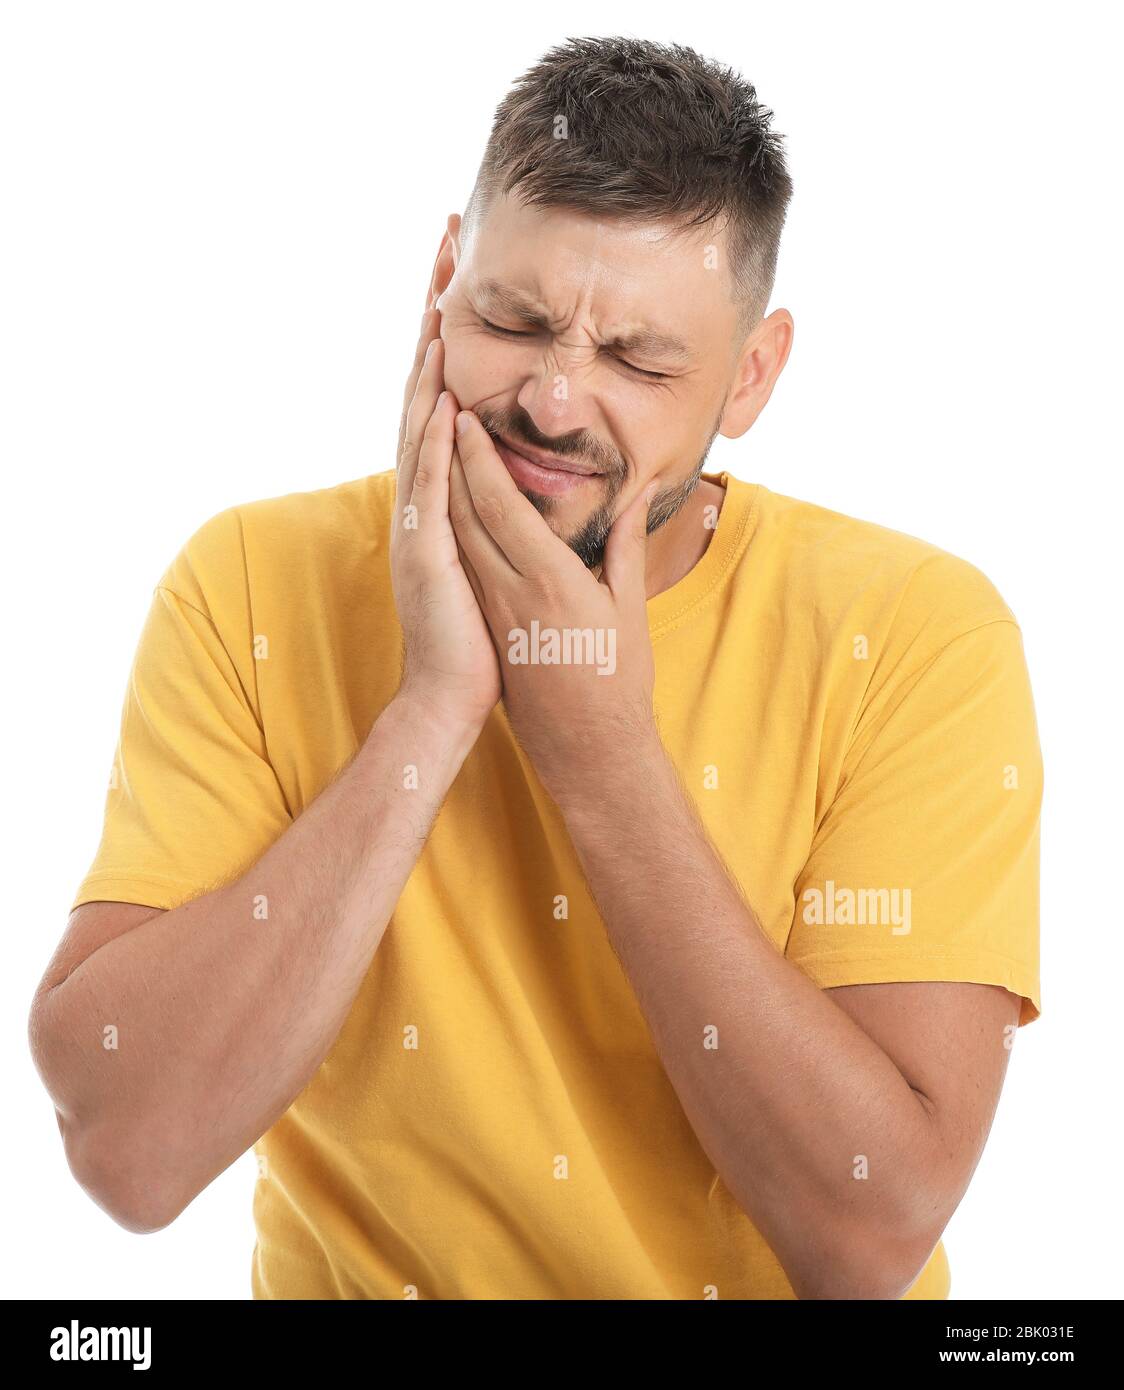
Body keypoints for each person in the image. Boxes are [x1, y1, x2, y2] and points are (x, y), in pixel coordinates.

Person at [29, 36, 1041, 1300]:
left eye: (638, 361)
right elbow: (126, 1151)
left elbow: (864, 1238)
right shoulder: (249, 581)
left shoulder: (916, 634)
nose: (555, 404)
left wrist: (604, 761)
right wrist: (431, 709)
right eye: (512, 322)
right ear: (443, 278)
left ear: (752, 375)